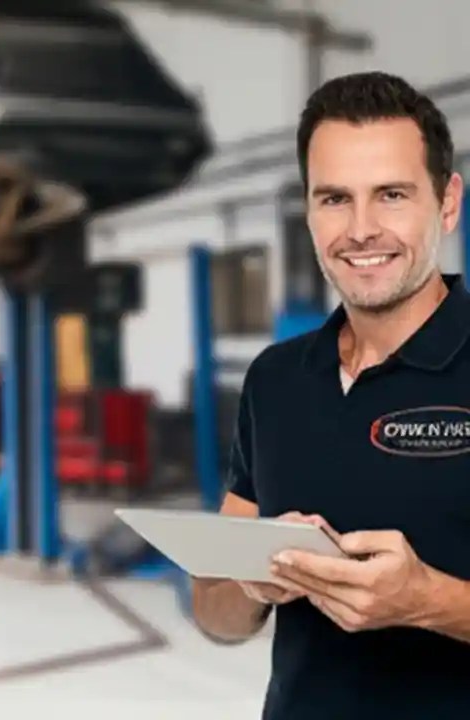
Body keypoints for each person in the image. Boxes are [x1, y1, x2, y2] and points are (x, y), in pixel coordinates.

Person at [191, 71, 470, 718]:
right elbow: (216, 612)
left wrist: (427, 598)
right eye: (335, 199)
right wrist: (252, 581)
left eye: (392, 195)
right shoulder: (276, 379)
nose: (362, 229)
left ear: (448, 203)